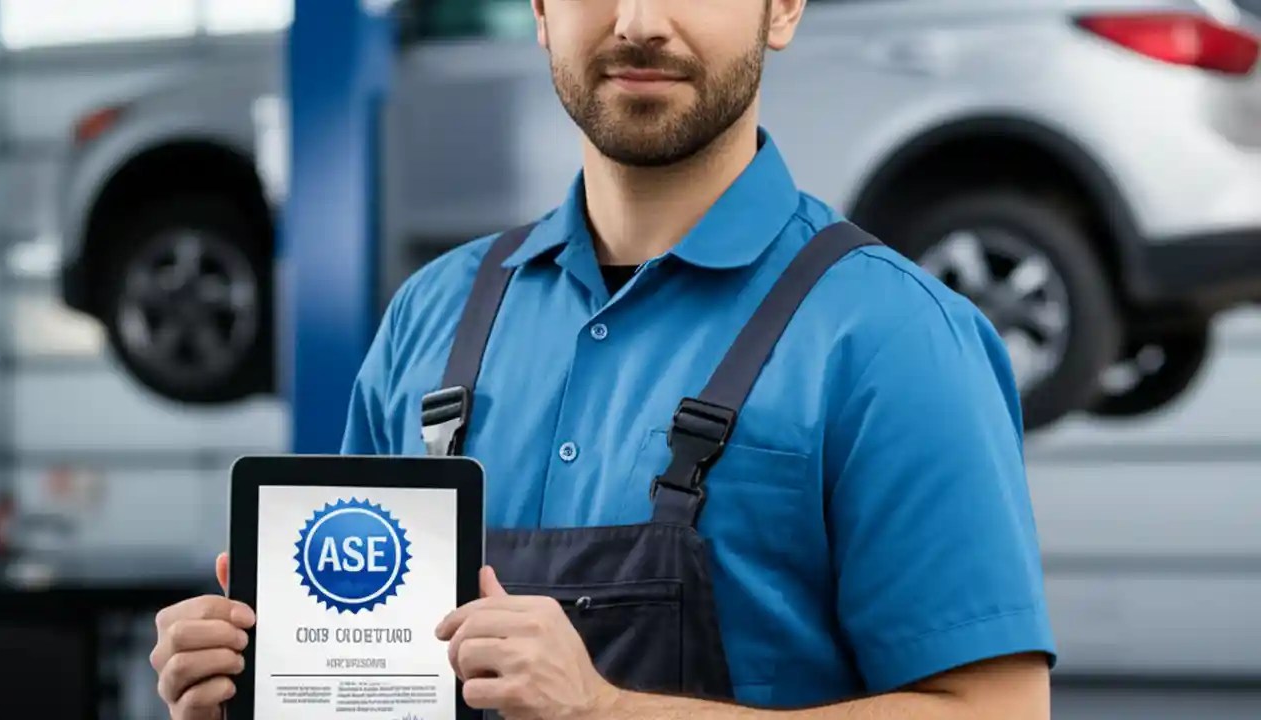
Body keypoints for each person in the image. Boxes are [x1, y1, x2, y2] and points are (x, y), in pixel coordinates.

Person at [149, 0, 1058, 717]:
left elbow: (996, 711)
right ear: (541, 10)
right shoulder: (433, 316)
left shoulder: (894, 338)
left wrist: (609, 711)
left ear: (781, 8)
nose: (637, 22)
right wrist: (260, 690)